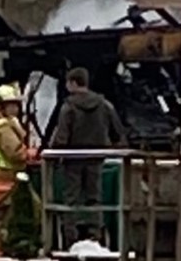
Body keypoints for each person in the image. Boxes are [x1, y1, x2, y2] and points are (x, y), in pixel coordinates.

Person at [47, 67, 125, 209]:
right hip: (97, 158)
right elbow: (118, 133)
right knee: (95, 198)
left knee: (71, 199)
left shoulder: (68, 108)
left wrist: (53, 157)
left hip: (72, 160)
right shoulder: (105, 105)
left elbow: (62, 136)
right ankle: (95, 229)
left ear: (73, 83)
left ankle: (70, 230)